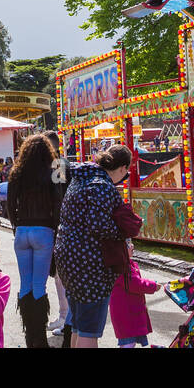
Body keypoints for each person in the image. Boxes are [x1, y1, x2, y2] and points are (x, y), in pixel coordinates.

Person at [54, 144, 134, 349]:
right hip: (90, 266)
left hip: (68, 259)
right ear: (123, 168)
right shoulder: (101, 186)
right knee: (89, 332)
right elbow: (100, 226)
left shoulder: (80, 178)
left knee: (78, 326)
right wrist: (123, 234)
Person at [7, 134, 63, 348]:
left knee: (25, 284)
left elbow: (10, 205)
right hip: (44, 229)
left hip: (22, 230)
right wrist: (56, 230)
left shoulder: (16, 172)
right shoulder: (55, 168)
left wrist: (16, 226)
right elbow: (59, 202)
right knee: (39, 285)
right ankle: (39, 339)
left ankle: (30, 336)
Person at [44, 130, 72, 338]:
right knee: (59, 275)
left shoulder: (57, 164)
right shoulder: (58, 163)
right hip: (60, 223)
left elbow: (58, 193)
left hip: (60, 224)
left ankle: (66, 316)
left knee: (62, 275)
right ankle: (64, 315)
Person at [110, 257, 159, 347]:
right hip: (126, 313)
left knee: (130, 342)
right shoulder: (123, 266)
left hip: (129, 312)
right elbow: (135, 284)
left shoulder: (127, 264)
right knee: (129, 342)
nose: (132, 246)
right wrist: (153, 286)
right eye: (128, 243)